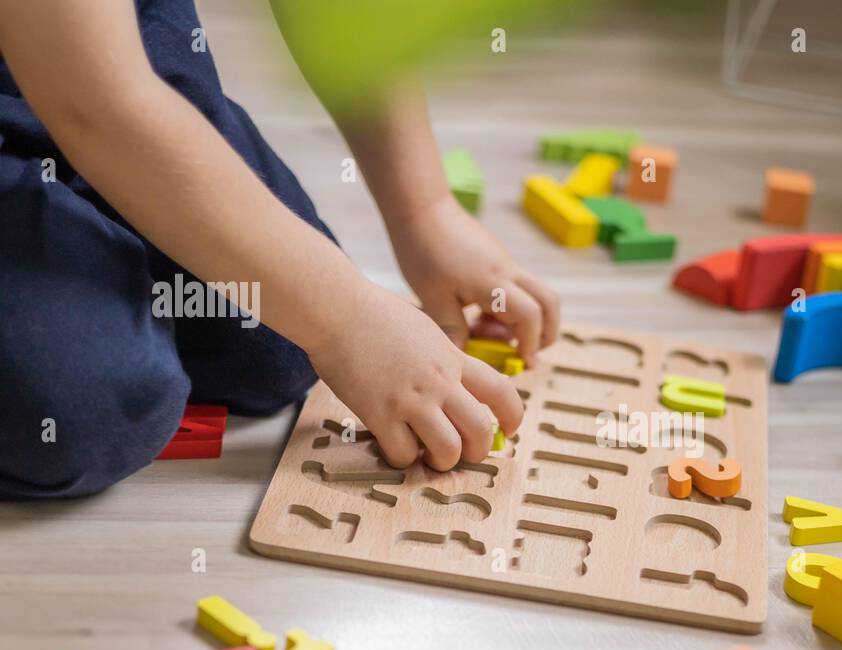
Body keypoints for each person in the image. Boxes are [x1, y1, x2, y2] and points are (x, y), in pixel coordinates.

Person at [0, 0, 558, 499]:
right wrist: (347, 320)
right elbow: (93, 107)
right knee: (91, 416)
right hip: (85, 90)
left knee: (279, 354)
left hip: (126, 57)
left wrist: (424, 211)